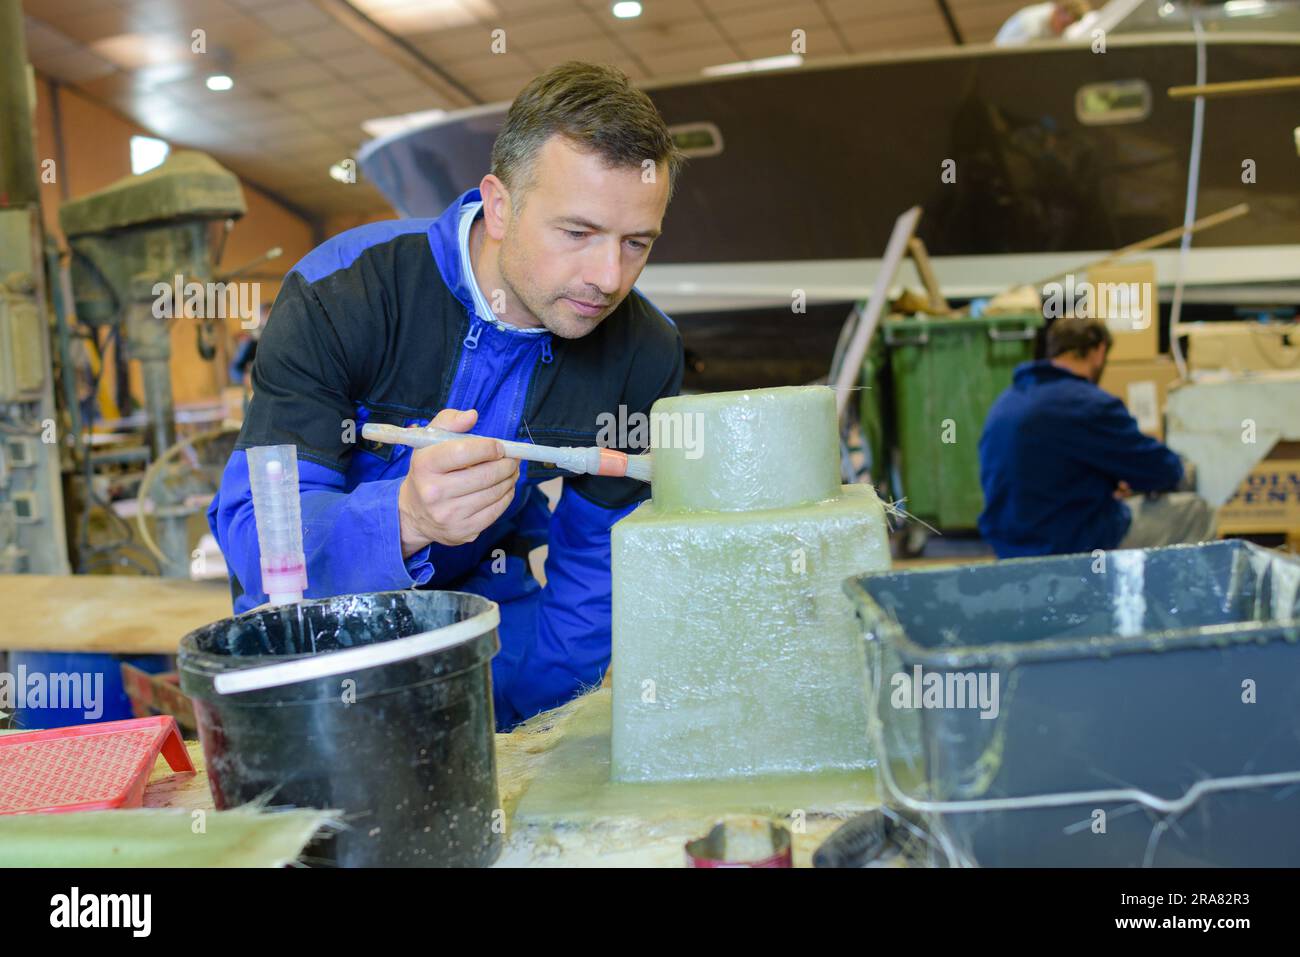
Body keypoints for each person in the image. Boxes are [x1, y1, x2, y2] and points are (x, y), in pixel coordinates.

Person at [208, 62, 685, 729]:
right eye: (576, 233)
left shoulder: (643, 352)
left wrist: (517, 734)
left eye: (636, 243)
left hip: (486, 628)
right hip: (315, 650)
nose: (608, 278)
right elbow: (265, 547)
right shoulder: (344, 290)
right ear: (498, 205)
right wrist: (403, 519)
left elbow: (594, 579)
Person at [978, 316, 1215, 558]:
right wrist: (1177, 471)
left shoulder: (1007, 402)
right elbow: (1159, 470)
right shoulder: (1087, 403)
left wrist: (1107, 483)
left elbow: (1050, 470)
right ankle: (1178, 594)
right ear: (1099, 351)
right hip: (1067, 543)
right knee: (1194, 511)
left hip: (1010, 544)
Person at [994, 1, 1094, 45]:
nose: (1064, 29)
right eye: (1064, 24)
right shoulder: (1030, 24)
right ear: (1058, 10)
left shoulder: (1062, 30)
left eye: (1068, 26)